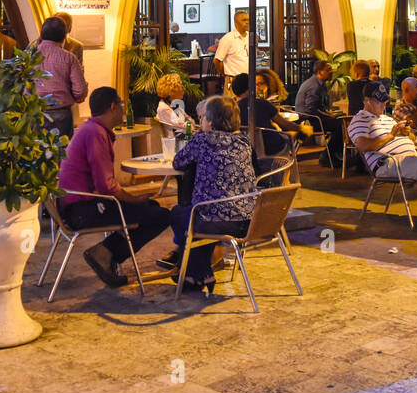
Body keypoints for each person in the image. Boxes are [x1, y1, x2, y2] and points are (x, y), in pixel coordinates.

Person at [58, 87, 171, 289]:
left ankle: (107, 253)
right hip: (83, 210)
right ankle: (104, 253)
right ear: (112, 107)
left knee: (152, 208)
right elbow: (106, 186)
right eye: (121, 104)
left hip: (78, 205)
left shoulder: (91, 129)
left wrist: (138, 200)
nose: (123, 109)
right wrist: (136, 199)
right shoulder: (95, 134)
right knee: (160, 215)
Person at [162, 96, 259, 292]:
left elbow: (177, 162)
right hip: (250, 220)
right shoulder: (244, 142)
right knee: (197, 214)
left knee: (180, 214)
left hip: (218, 221)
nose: (200, 121)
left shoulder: (203, 140)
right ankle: (194, 275)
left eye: (203, 117)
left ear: (211, 121)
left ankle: (198, 272)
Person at [348, 79, 417, 237]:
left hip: (412, 154)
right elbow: (363, 145)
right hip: (388, 162)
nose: (384, 104)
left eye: (385, 100)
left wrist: (407, 133)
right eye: (380, 101)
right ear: (367, 100)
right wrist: (391, 135)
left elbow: (412, 139)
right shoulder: (359, 120)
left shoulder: (387, 118)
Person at [35, 16, 87, 138]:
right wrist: (77, 97)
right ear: (64, 37)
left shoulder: (29, 56)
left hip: (34, 112)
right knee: (61, 154)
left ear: (41, 35)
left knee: (38, 154)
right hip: (61, 115)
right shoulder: (68, 58)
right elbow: (80, 90)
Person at [232, 73, 300, 156]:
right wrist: (301, 128)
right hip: (272, 149)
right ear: (250, 86)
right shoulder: (263, 104)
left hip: (245, 152)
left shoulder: (232, 109)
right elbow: (284, 124)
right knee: (292, 134)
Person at [295, 60, 343, 163]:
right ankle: (329, 156)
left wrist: (328, 113)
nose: (331, 71)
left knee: (340, 120)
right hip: (309, 120)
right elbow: (311, 110)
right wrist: (328, 115)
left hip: (315, 117)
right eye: (328, 69)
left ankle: (332, 154)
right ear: (319, 72)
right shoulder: (314, 86)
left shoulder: (321, 84)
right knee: (340, 125)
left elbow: (320, 106)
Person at [213, 11, 250, 90]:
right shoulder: (228, 38)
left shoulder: (250, 37)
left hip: (248, 80)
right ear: (236, 22)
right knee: (233, 102)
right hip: (233, 80)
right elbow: (217, 61)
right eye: (244, 20)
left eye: (248, 20)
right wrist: (226, 75)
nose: (247, 22)